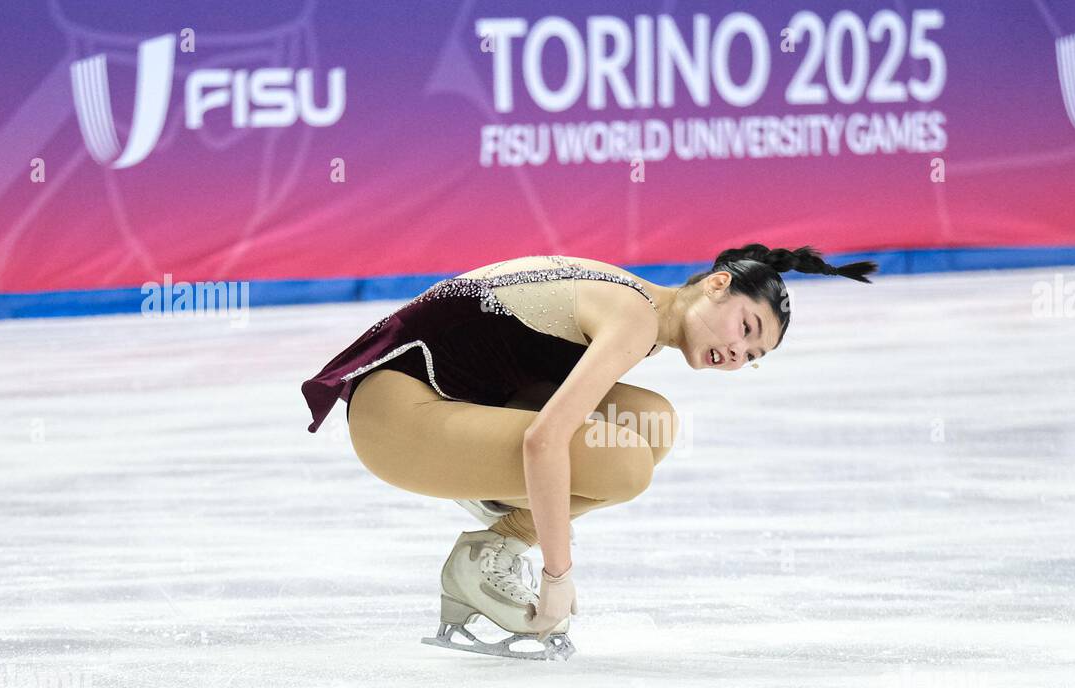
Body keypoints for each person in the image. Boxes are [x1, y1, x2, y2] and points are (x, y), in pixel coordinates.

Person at [301, 244, 875, 658]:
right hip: (397, 418)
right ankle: (488, 548)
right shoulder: (633, 319)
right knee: (623, 462)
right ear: (718, 284)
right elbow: (544, 439)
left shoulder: (644, 309)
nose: (738, 352)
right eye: (746, 328)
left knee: (652, 424)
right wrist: (558, 574)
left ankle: (492, 532)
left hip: (451, 399)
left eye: (754, 354)